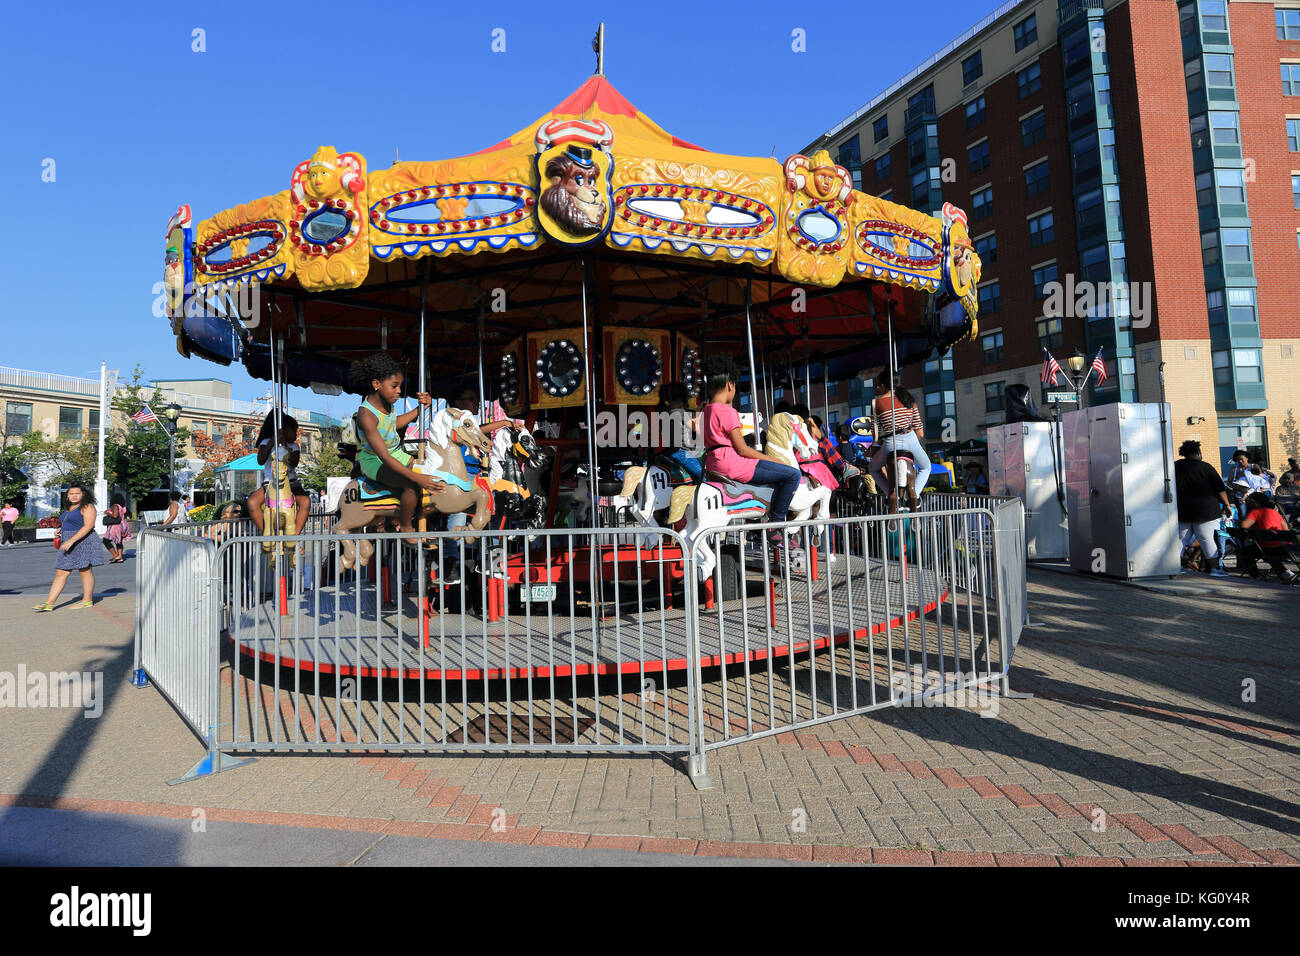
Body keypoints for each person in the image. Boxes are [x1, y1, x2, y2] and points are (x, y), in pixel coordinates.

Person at [700, 355, 801, 549]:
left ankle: (756, 525)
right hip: (732, 463)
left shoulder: (706, 411)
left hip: (713, 462)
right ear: (730, 385)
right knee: (792, 474)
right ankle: (775, 525)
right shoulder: (727, 411)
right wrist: (773, 460)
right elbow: (743, 449)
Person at [351, 353, 445, 541]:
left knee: (435, 475)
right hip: (374, 461)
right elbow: (384, 456)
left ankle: (428, 520)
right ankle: (405, 526)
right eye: (394, 386)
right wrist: (418, 478)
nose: (399, 391)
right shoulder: (366, 414)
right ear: (376, 384)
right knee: (411, 484)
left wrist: (420, 409)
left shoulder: (387, 406)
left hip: (397, 454)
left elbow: (395, 423)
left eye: (400, 386)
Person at [34, 482, 108, 611]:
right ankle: (49, 603)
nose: (74, 496)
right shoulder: (69, 508)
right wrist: (60, 531)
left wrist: (71, 541)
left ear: (83, 494)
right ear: (67, 495)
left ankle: (87, 600)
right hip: (68, 540)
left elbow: (88, 526)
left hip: (84, 541)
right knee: (61, 571)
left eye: (77, 493)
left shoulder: (87, 507)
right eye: (71, 494)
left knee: (85, 570)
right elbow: (70, 523)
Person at [868, 371, 931, 508]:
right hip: (911, 440)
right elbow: (920, 433)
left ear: (884, 385)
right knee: (926, 467)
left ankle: (891, 496)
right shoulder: (909, 399)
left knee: (873, 469)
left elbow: (876, 435)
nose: (879, 388)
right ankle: (916, 496)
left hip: (890, 443)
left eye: (879, 386)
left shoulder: (876, 403)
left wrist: (879, 441)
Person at [247, 411, 311, 536]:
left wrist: (285, 444)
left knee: (305, 502)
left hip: (291, 483)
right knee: (252, 502)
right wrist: (273, 441)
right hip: (270, 483)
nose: (296, 435)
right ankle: (266, 534)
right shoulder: (266, 442)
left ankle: (295, 535)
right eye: (295, 431)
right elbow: (260, 460)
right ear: (285, 430)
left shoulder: (294, 446)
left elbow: (294, 463)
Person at [1175, 440, 1232, 578]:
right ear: (1198, 453)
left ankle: (1174, 566)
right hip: (1205, 509)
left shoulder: (1175, 466)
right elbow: (1220, 489)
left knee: (1181, 539)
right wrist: (1227, 504)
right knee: (1206, 539)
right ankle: (1215, 569)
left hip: (1182, 508)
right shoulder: (1206, 467)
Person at [1238, 492, 1296, 582]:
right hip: (1284, 549)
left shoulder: (1255, 512)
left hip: (1266, 547)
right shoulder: (1274, 512)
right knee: (1267, 552)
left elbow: (1244, 526)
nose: (1247, 501)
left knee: (1247, 551)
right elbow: (1286, 530)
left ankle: (1255, 575)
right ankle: (1285, 572)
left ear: (1256, 502)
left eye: (1249, 500)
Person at [102, 494, 131, 563]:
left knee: (105, 541)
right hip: (123, 525)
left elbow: (115, 515)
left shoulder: (115, 506)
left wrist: (107, 513)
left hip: (116, 526)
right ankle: (120, 557)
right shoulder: (122, 507)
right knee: (119, 541)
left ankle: (115, 556)